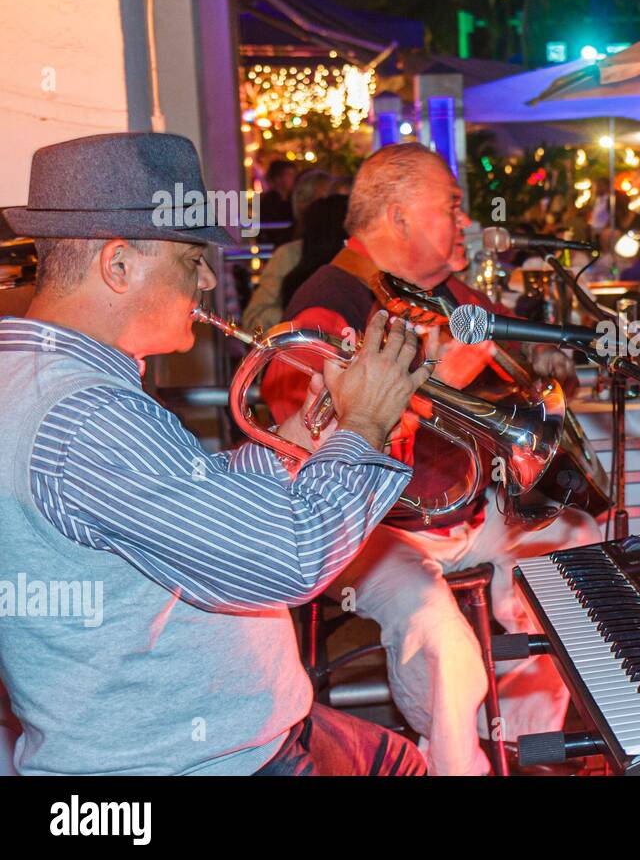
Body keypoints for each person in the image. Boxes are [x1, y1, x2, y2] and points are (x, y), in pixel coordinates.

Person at [0, 132, 428, 775]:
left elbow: (190, 501)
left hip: (225, 736)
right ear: (118, 266)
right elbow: (289, 558)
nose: (204, 279)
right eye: (191, 258)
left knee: (397, 761)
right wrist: (365, 422)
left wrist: (309, 430)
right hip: (202, 760)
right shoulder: (86, 414)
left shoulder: (39, 375)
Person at [262, 143, 601, 776]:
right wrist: (432, 382)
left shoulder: (437, 291)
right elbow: (301, 459)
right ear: (398, 216)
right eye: (449, 205)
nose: (464, 220)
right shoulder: (326, 306)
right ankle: (455, 763)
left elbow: (511, 354)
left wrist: (537, 361)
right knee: (445, 645)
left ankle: (524, 747)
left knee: (578, 545)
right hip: (367, 532)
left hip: (457, 512)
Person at [242, 168, 336, 332]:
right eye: (323, 204)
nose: (332, 212)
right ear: (304, 207)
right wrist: (301, 317)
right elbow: (253, 319)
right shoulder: (289, 254)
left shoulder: (353, 254)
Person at [260, 158, 298, 224]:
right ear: (278, 178)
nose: (294, 178)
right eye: (290, 175)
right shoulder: (269, 202)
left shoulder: (294, 199)